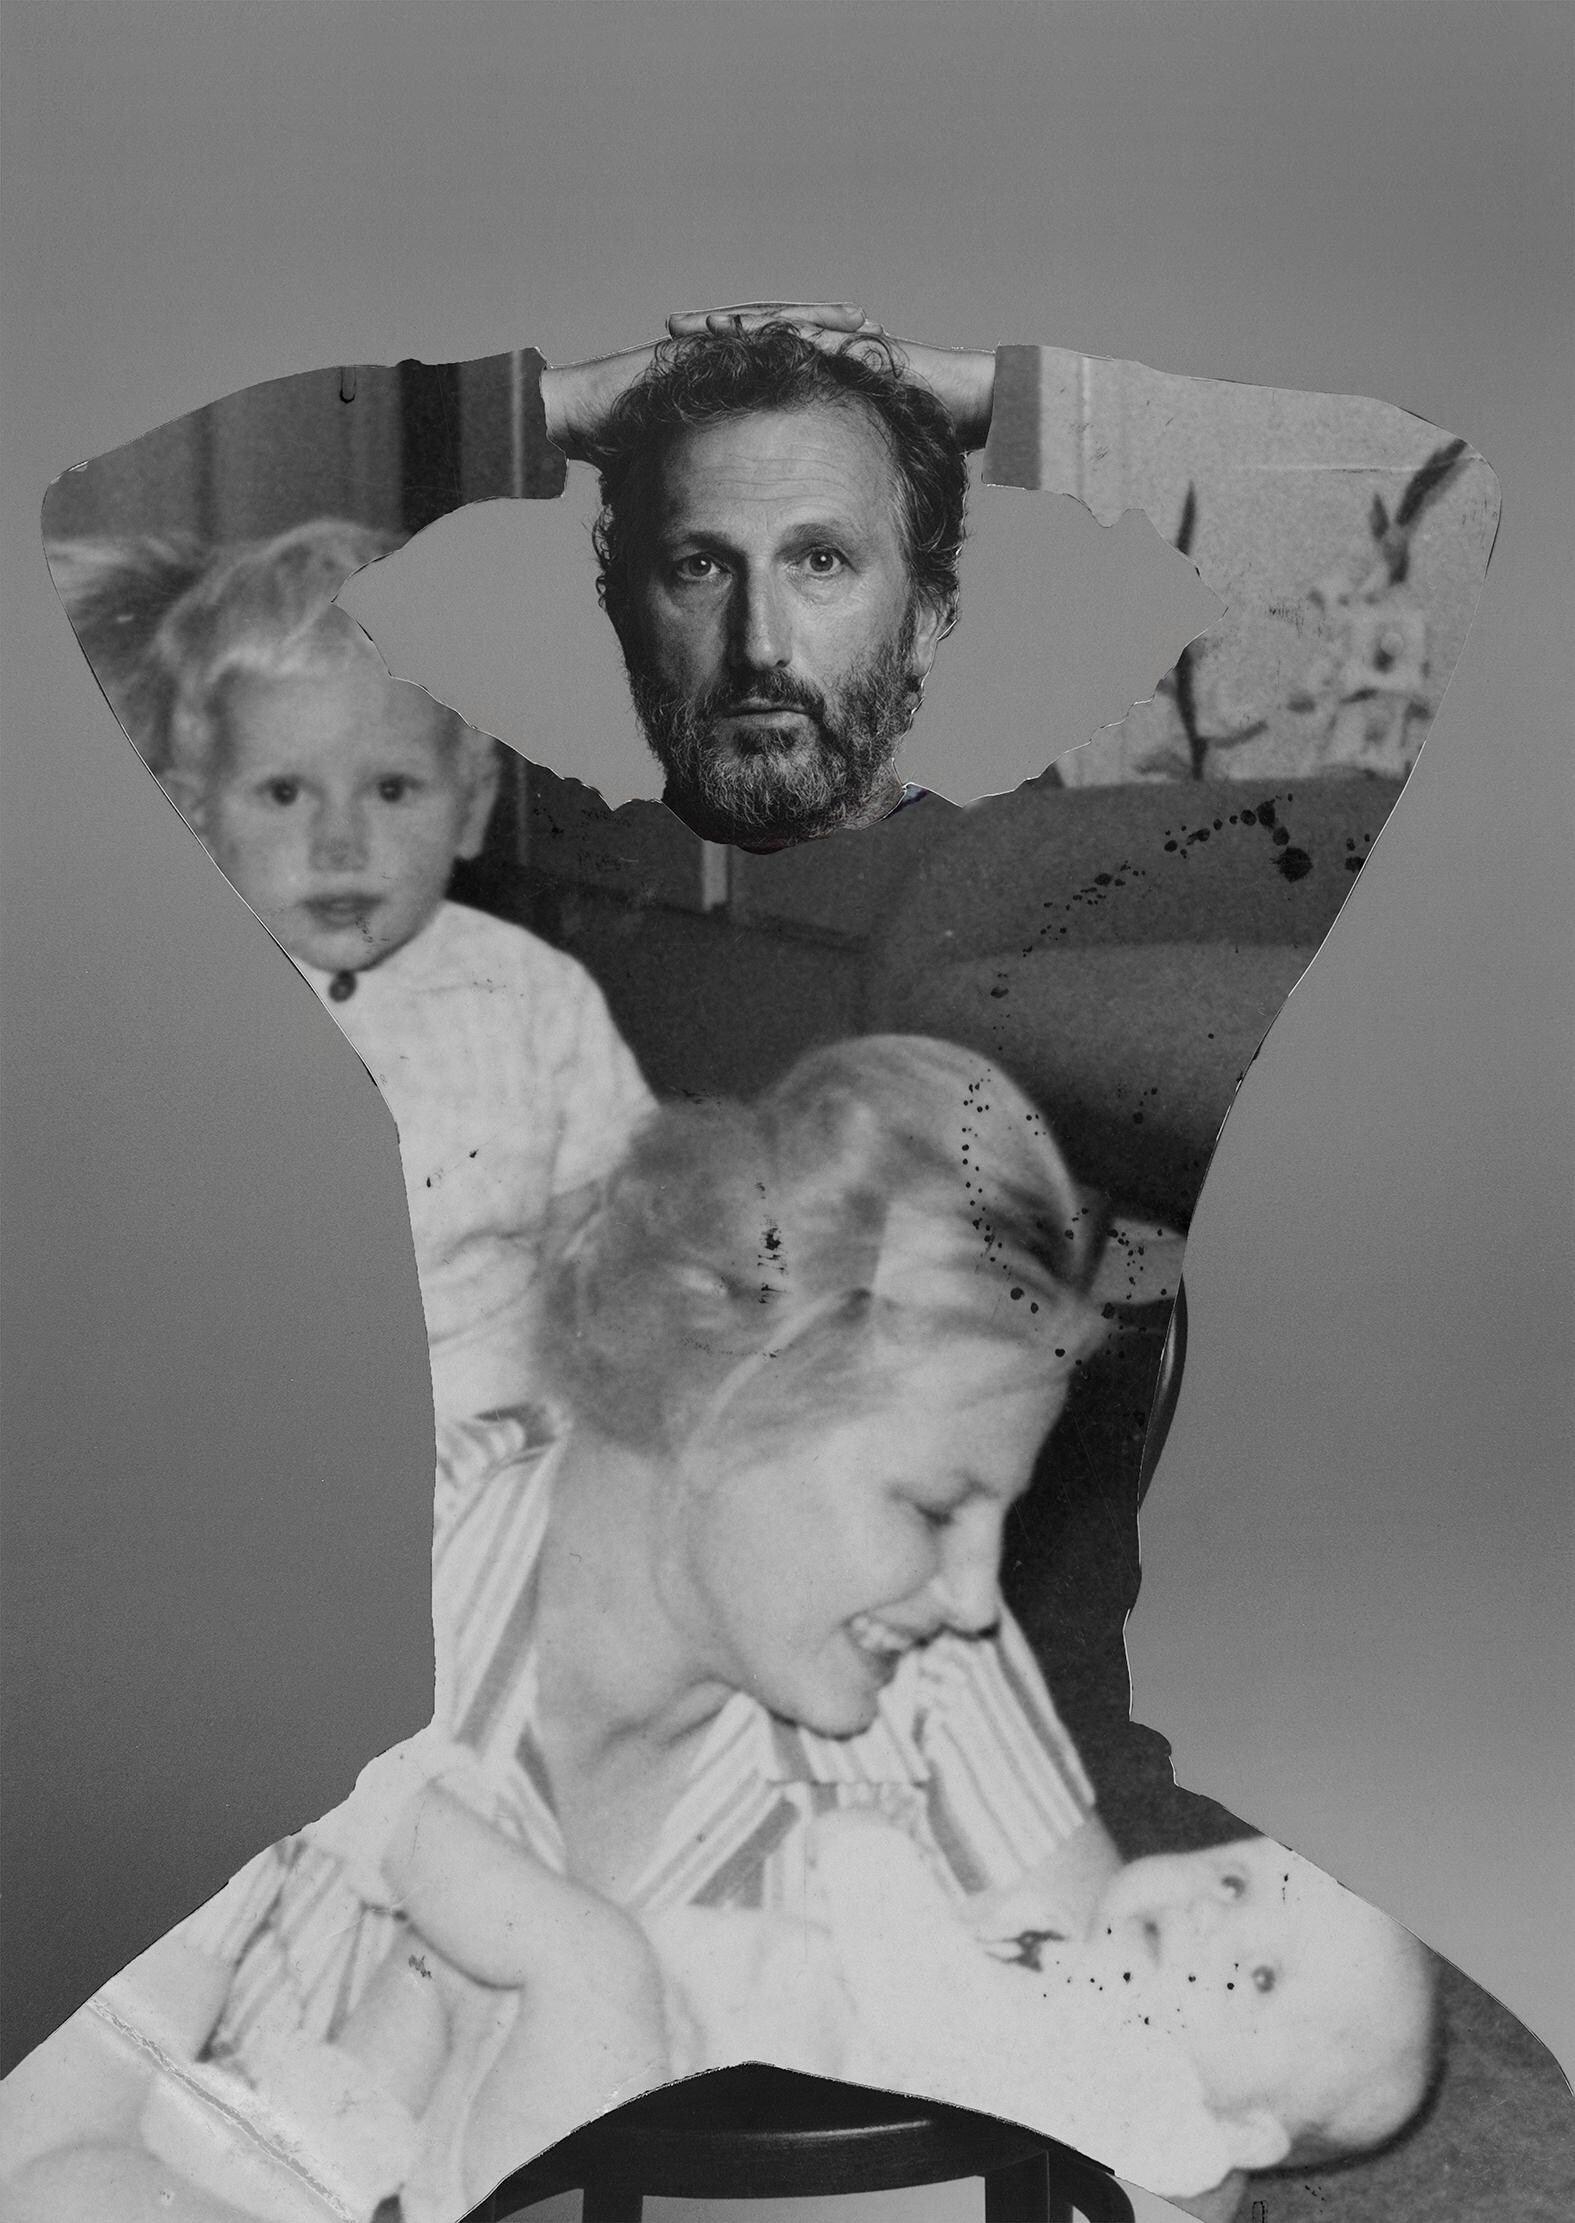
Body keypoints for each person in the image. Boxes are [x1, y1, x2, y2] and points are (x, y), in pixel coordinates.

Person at [0, 1035, 1118, 2223]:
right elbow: (38, 2164)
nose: (976, 1595)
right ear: (721, 1398)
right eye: (934, 1507)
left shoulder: (924, 1665)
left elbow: (1164, 2096)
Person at [48, 520, 655, 1425]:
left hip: (506, 1422)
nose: (340, 844)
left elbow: (604, 1228)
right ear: (195, 815)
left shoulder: (529, 998)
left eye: (391, 789)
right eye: (284, 793)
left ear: (471, 804)